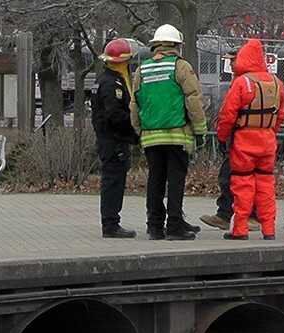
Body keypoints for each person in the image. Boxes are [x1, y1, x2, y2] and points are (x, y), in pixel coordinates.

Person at [130, 24, 207, 240]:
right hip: (177, 135)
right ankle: (174, 226)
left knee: (155, 180)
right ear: (176, 45)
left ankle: (154, 226)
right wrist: (200, 130)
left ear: (156, 45)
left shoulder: (142, 69)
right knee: (175, 180)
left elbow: (135, 103)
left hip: (151, 136)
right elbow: (193, 100)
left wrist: (138, 130)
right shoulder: (181, 67)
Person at [216, 39, 284, 240]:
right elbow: (280, 116)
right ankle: (269, 229)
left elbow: (227, 115)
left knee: (242, 184)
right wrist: (269, 132)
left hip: (244, 141)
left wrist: (223, 138)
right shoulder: (277, 83)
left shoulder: (242, 83)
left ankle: (240, 229)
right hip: (267, 141)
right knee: (265, 185)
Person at [201, 47, 259, 233]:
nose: (231, 64)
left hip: (242, 137)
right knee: (234, 177)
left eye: (233, 60)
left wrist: (222, 133)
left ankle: (244, 216)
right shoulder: (244, 80)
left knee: (235, 177)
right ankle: (228, 214)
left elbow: (230, 113)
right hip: (246, 137)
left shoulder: (244, 82)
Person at [91, 38, 139, 238]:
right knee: (113, 182)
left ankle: (111, 221)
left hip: (109, 139)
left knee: (113, 180)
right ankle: (111, 224)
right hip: (114, 140)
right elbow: (115, 115)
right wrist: (134, 129)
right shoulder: (113, 84)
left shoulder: (105, 80)